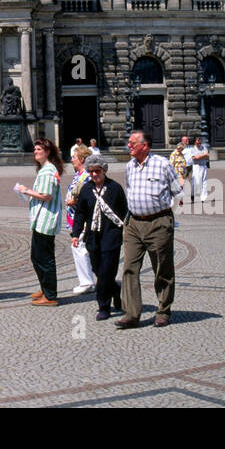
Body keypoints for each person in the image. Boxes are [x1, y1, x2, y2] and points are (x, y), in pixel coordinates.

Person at [117, 130, 181, 329]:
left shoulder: (162, 164)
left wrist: (168, 218)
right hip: (134, 223)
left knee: (162, 268)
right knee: (129, 268)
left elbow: (177, 192)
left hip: (158, 223)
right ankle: (132, 313)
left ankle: (163, 310)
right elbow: (129, 190)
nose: (128, 146)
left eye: (132, 143)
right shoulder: (129, 166)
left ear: (144, 146)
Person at [70, 153, 128, 320]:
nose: (94, 174)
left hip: (111, 236)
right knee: (98, 270)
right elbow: (80, 213)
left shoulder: (115, 188)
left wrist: (126, 232)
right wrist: (76, 233)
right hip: (93, 237)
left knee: (106, 272)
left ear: (104, 170)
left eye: (97, 171)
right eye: (91, 171)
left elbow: (124, 211)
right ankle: (115, 290)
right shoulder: (86, 189)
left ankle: (104, 306)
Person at [15, 138, 63, 306]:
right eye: (35, 149)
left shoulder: (48, 171)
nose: (35, 151)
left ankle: (50, 295)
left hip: (45, 218)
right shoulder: (46, 169)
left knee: (44, 258)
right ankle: (45, 288)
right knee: (37, 257)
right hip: (41, 218)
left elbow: (47, 195)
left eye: (39, 149)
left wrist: (26, 191)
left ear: (47, 152)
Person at [64, 144, 96, 296]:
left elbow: (89, 197)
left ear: (82, 159)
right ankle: (88, 280)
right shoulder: (79, 174)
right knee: (80, 247)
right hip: (74, 218)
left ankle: (86, 282)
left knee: (79, 247)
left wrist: (75, 202)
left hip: (82, 219)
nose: (71, 159)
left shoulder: (87, 176)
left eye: (74, 157)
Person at [188, 135, 211, 206]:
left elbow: (207, 155)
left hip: (203, 166)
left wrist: (202, 156)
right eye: (197, 141)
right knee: (197, 182)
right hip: (196, 167)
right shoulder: (192, 149)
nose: (199, 143)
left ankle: (203, 198)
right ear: (195, 142)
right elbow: (195, 158)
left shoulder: (204, 147)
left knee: (204, 182)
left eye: (200, 141)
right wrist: (204, 155)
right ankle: (192, 196)